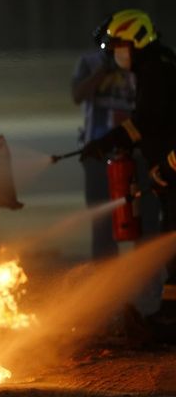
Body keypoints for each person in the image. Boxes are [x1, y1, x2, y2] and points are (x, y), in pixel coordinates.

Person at [81, 9, 176, 331]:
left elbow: (150, 122)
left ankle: (171, 318)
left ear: (136, 38)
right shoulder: (156, 67)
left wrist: (108, 141)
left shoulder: (157, 72)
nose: (116, 52)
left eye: (119, 44)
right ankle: (169, 311)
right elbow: (151, 124)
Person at [72, 15, 160, 262]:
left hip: (140, 154)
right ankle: (106, 283)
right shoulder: (89, 63)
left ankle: (146, 281)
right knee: (102, 226)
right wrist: (104, 70)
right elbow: (78, 95)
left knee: (147, 222)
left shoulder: (146, 66)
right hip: (99, 154)